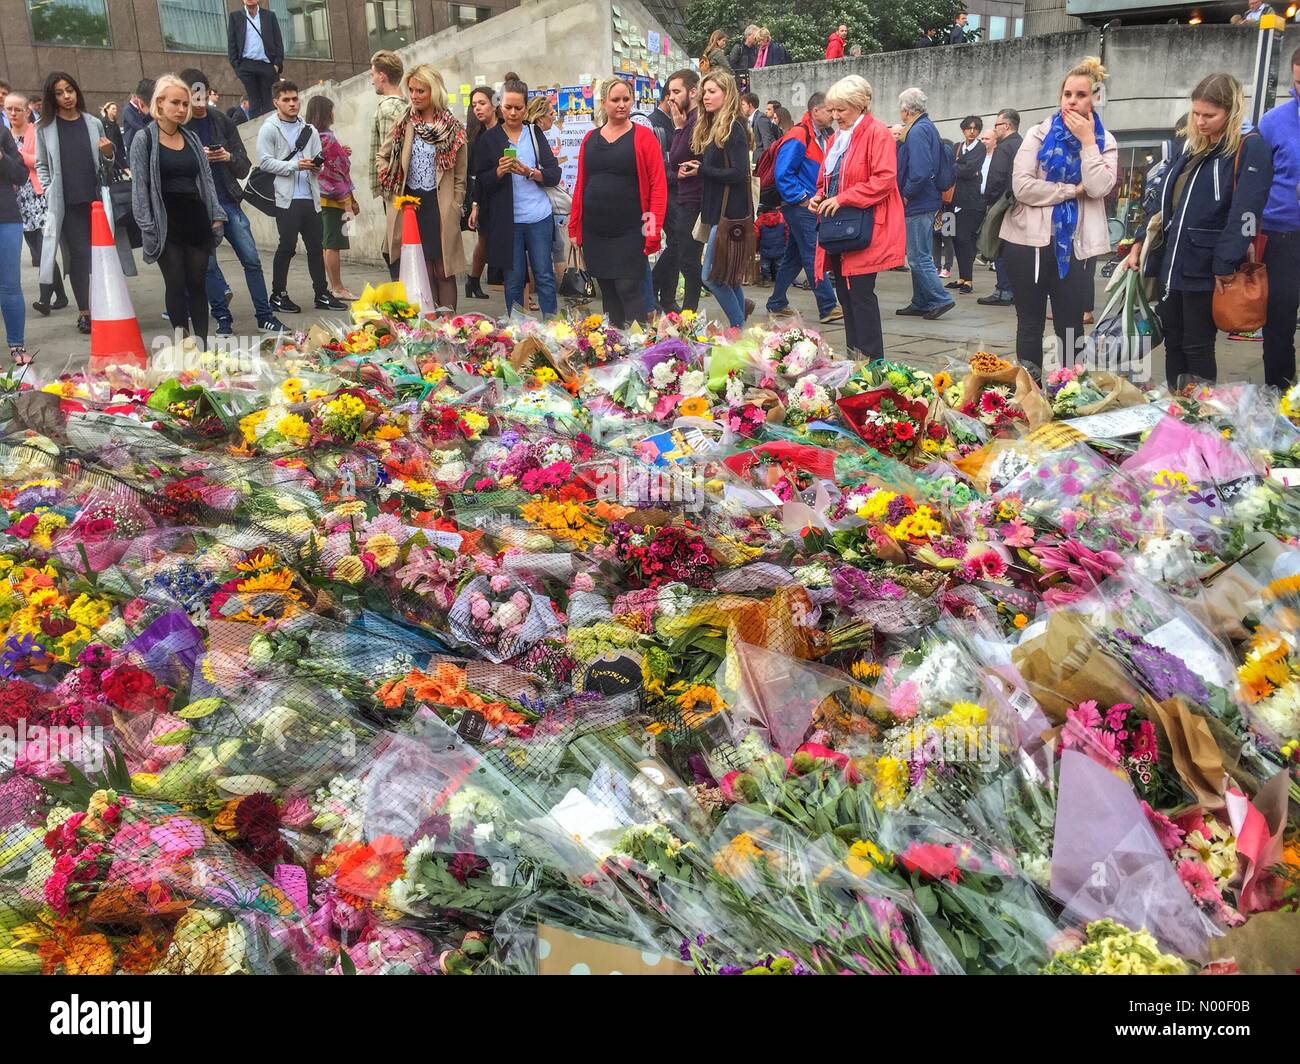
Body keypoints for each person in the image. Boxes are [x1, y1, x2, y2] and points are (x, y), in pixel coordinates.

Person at [1125, 73, 1271, 388]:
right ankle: (1179, 407)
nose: (1201, 121)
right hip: (1172, 261)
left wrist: (1225, 262)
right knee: (1173, 340)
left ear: (1230, 112)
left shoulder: (1250, 147)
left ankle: (1200, 414)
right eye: (1196, 113)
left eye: (1209, 115)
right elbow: (1161, 199)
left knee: (1197, 343)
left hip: (1206, 265)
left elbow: (1246, 211)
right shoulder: (1190, 145)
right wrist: (1139, 241)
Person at [1000, 57, 1117, 379]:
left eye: (1081, 94)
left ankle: (1069, 392)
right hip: (1027, 243)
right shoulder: (1039, 133)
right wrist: (1069, 190)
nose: (1073, 101)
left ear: (1094, 97)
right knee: (1029, 324)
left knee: (1070, 328)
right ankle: (1030, 390)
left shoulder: (1105, 142)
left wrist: (1088, 143)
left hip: (1074, 247)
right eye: (1068, 94)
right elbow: (1022, 186)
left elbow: (1099, 187)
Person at [179, 68, 284, 335]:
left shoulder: (221, 121)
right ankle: (223, 318)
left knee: (251, 259)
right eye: (193, 94)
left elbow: (243, 165)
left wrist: (226, 157)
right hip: (198, 207)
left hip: (227, 199)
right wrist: (197, 158)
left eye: (203, 92)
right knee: (208, 266)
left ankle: (265, 316)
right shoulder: (178, 127)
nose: (199, 100)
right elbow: (174, 170)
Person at [810, 74, 906, 358]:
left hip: (865, 227)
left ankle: (872, 363)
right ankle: (856, 360)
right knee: (847, 297)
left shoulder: (877, 132)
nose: (835, 115)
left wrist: (842, 198)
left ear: (860, 106)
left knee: (861, 296)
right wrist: (819, 196)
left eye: (842, 109)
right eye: (833, 109)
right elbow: (825, 178)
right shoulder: (838, 137)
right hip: (841, 227)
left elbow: (885, 179)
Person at [130, 74, 226, 348]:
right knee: (175, 282)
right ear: (159, 103)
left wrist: (216, 214)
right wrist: (147, 226)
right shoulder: (143, 139)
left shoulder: (192, 138)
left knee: (197, 283)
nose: (182, 109)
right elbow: (141, 186)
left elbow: (206, 178)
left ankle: (202, 348)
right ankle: (184, 347)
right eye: (175, 102)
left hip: (195, 217)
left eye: (185, 103)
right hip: (165, 220)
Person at [35, 71, 134, 336]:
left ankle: (107, 305)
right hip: (67, 204)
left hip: (96, 201)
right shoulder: (45, 128)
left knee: (102, 256)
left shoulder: (92, 123)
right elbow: (42, 165)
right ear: (51, 97)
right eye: (59, 92)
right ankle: (85, 313)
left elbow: (107, 166)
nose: (66, 96)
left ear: (77, 91)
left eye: (69, 90)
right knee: (79, 257)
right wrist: (48, 189)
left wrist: (109, 153)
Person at [568, 79, 666, 327]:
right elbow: (581, 185)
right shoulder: (590, 138)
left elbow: (658, 187)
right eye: (615, 100)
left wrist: (651, 232)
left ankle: (639, 348)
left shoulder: (644, 137)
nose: (622, 105)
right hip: (596, 231)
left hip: (630, 231)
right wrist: (574, 227)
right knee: (609, 293)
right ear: (604, 103)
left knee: (629, 288)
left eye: (626, 99)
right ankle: (614, 350)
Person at [375, 64, 467, 313]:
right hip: (410, 204)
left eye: (420, 91)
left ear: (434, 92)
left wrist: (455, 204)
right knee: (421, 269)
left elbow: (460, 175)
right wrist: (390, 181)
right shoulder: (405, 121)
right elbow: (382, 156)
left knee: (443, 270)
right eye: (412, 90)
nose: (414, 96)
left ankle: (449, 328)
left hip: (441, 205)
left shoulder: (453, 127)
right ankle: (426, 327)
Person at [473, 75, 561, 316]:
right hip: (508, 220)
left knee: (544, 275)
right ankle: (517, 331)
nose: (513, 113)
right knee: (513, 279)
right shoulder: (490, 139)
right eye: (508, 107)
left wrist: (530, 172)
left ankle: (552, 327)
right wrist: (498, 172)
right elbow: (481, 180)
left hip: (538, 216)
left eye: (518, 108)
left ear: (526, 107)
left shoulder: (534, 133)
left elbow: (554, 173)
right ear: (500, 106)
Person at [257, 80, 346, 313]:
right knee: (286, 246)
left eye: (295, 99)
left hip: (309, 195)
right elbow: (264, 162)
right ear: (276, 102)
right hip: (286, 197)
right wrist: (296, 165)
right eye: (286, 100)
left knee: (316, 247)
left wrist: (316, 167)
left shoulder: (309, 130)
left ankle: (321, 294)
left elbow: (318, 160)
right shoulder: (269, 128)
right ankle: (278, 294)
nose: (292, 103)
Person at [768, 91, 840, 323]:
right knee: (812, 252)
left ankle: (777, 302)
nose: (834, 115)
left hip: (805, 203)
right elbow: (783, 173)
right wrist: (802, 198)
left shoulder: (820, 135)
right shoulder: (800, 134)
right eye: (830, 110)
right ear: (815, 111)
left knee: (796, 256)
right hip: (801, 205)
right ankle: (828, 305)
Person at [691, 70, 753, 328]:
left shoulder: (733, 128)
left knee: (711, 277)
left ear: (727, 95)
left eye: (712, 91)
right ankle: (741, 322)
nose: (706, 96)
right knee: (728, 278)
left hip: (730, 214)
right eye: (705, 92)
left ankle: (738, 328)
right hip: (718, 212)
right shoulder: (713, 125)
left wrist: (702, 169)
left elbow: (739, 173)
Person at [1256, 47, 1300, 389]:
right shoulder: (1273, 123)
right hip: (1281, 237)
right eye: (1299, 83)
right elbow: (1255, 181)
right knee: (1279, 323)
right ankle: (1279, 399)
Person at [895, 87, 954, 320]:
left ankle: (940, 298)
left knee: (918, 256)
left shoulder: (918, 130)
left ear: (906, 110)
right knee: (918, 253)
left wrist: (907, 193)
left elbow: (920, 170)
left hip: (918, 200)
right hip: (926, 199)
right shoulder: (927, 127)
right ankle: (921, 300)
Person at [6, 92, 66, 314]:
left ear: (27, 111)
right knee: (37, 249)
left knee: (44, 249)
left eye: (18, 109)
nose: (13, 113)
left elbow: (40, 161)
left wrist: (16, 154)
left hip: (39, 197)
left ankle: (44, 299)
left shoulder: (36, 131)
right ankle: (60, 294)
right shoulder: (5, 135)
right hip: (18, 202)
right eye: (8, 109)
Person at [305, 94, 358, 302]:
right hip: (335, 198)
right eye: (331, 110)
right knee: (333, 243)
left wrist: (342, 153)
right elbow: (338, 169)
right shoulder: (326, 137)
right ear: (325, 112)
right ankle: (337, 287)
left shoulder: (313, 136)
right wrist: (349, 199)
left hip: (322, 196)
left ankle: (335, 285)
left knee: (329, 243)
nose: (334, 113)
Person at [667, 69, 705, 314]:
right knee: (680, 252)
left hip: (695, 199)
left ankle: (688, 313)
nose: (671, 98)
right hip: (686, 197)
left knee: (688, 259)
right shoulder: (687, 119)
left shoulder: (695, 120)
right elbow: (674, 162)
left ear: (692, 92)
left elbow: (678, 156)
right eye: (669, 92)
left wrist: (679, 128)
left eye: (676, 91)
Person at [367, 49, 407, 281]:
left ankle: (403, 294)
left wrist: (387, 187)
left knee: (393, 247)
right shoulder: (402, 104)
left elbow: (389, 154)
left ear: (382, 76)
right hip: (398, 188)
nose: (371, 79)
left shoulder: (388, 108)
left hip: (393, 189)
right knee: (394, 245)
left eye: (372, 74)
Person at [977, 107, 1022, 306]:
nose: (995, 130)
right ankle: (1012, 289)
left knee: (998, 245)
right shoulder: (1023, 144)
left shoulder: (1004, 147)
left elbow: (996, 177)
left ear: (1007, 125)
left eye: (996, 125)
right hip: (1019, 202)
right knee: (1014, 248)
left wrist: (988, 200)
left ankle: (1003, 290)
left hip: (1003, 202)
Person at [464, 86, 499, 300]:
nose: (478, 108)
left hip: (506, 194)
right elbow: (476, 173)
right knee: (484, 241)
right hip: (484, 195)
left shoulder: (506, 130)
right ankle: (473, 280)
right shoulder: (477, 136)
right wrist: (475, 205)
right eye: (474, 105)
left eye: (482, 103)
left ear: (494, 104)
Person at [948, 115, 986, 295]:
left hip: (969, 201)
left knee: (965, 238)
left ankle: (968, 279)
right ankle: (961, 276)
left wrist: (957, 167)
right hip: (951, 200)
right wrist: (960, 167)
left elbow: (969, 169)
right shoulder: (957, 147)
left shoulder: (980, 148)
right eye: (968, 128)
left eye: (975, 128)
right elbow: (959, 169)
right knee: (953, 237)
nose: (971, 132)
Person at [0, 120, 29, 363]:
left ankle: (16, 345)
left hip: (6, 217)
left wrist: (2, 157)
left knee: (10, 285)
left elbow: (21, 175)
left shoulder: (2, 132)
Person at [227, 0, 284, 119]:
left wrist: (277, 64)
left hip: (267, 64)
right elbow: (232, 43)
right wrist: (237, 66)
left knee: (269, 102)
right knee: (254, 102)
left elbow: (278, 40)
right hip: (246, 64)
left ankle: (271, 133)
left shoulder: (269, 16)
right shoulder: (235, 17)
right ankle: (257, 135)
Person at [741, 91, 779, 166]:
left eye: (743, 104)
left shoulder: (761, 118)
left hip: (761, 160)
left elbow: (767, 140)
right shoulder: (747, 119)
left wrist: (767, 162)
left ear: (750, 105)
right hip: (753, 159)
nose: (741, 107)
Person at [122, 79, 154, 154]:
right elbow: (134, 123)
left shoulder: (139, 108)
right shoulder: (128, 109)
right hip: (133, 143)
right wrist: (148, 131)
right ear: (133, 96)